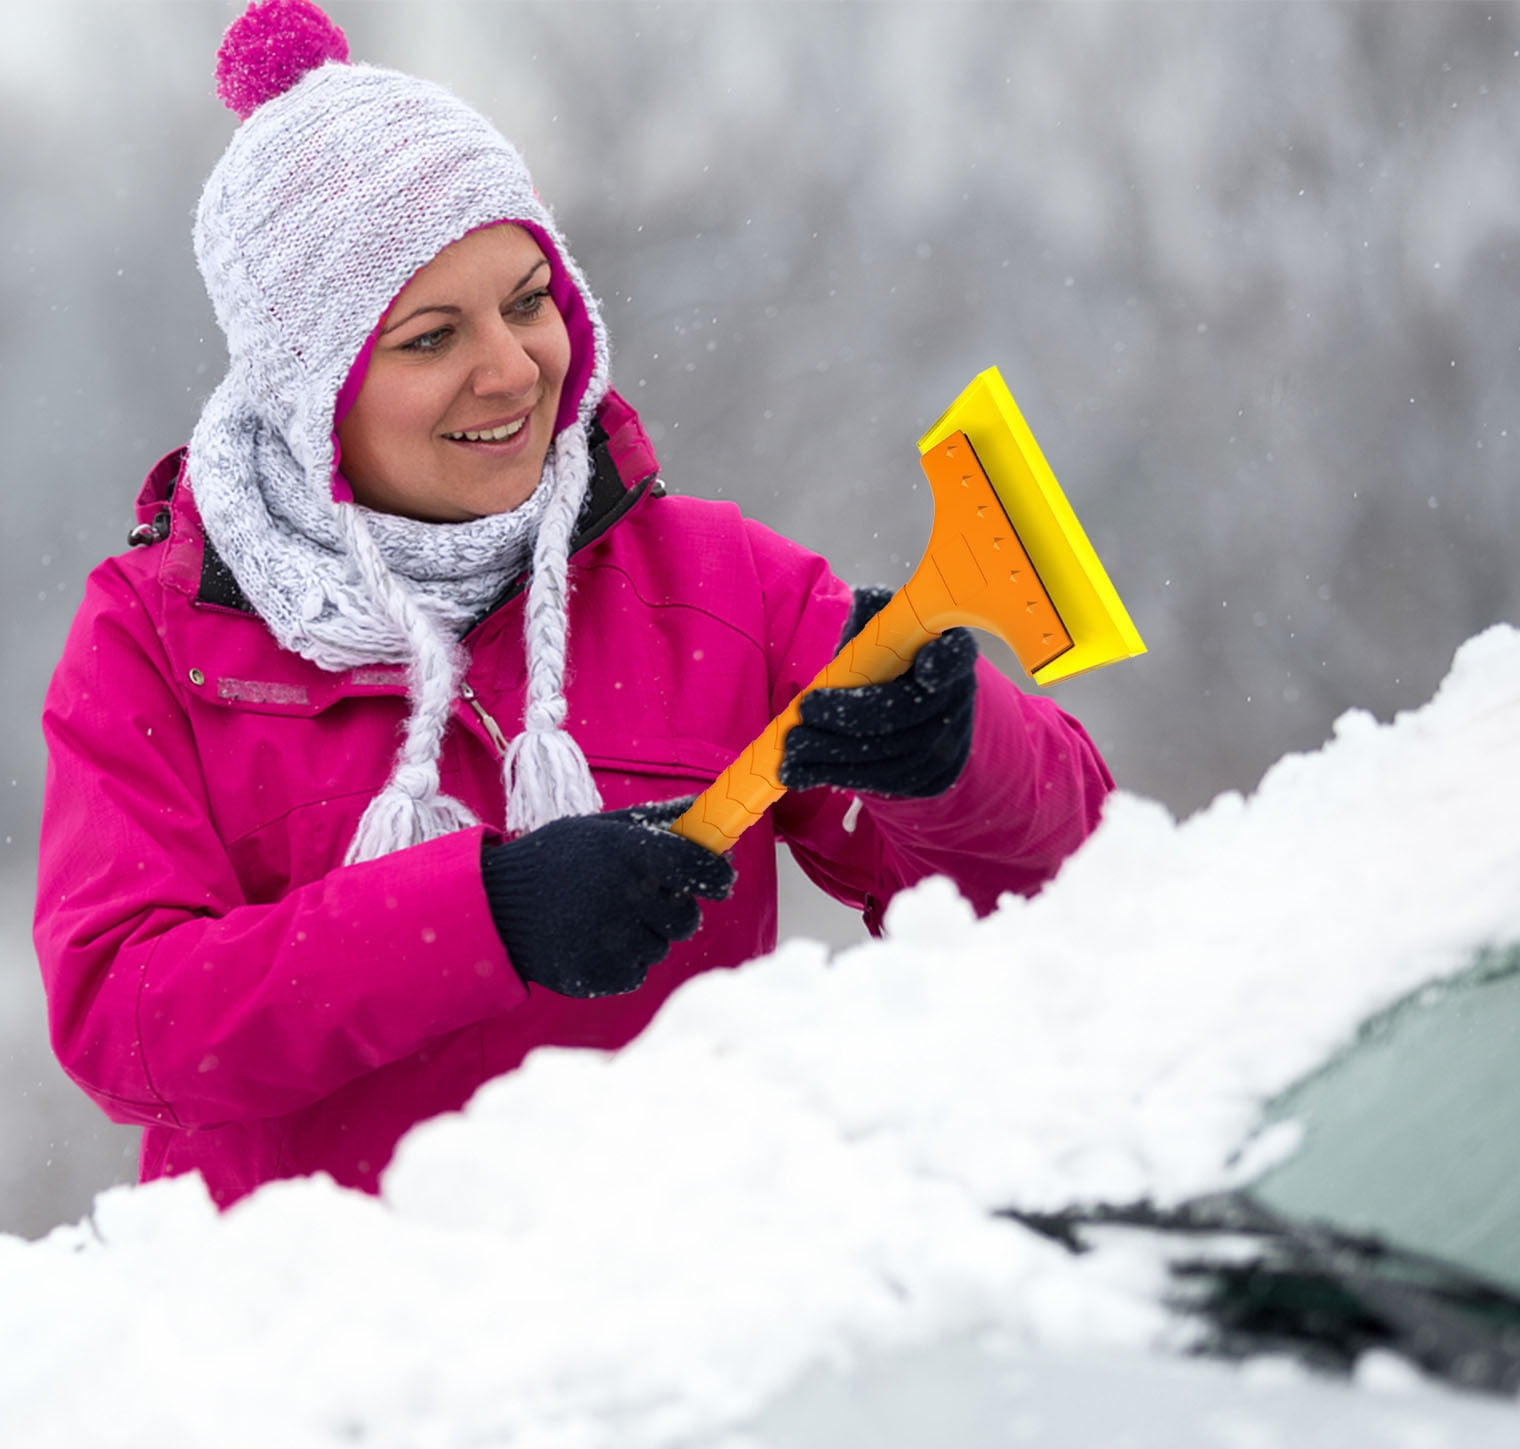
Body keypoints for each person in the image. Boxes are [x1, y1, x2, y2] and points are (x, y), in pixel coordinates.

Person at [33, 0, 1114, 1209]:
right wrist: (482, 916)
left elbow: (1071, 888)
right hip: (319, 1353)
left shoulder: (717, 584)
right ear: (308, 391)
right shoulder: (159, 637)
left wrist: (957, 755)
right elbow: (127, 1021)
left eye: (530, 300)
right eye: (431, 336)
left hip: (670, 1310)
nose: (509, 367)